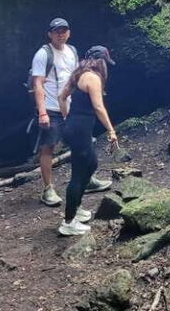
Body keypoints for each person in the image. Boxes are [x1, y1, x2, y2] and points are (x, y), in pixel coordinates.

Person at [31, 18, 110, 206]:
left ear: (69, 32)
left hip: (71, 106)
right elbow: (37, 83)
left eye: (64, 30)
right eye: (57, 31)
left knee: (82, 143)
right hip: (51, 108)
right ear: (50, 34)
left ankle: (87, 179)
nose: (61, 33)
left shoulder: (72, 51)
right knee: (48, 147)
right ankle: (48, 190)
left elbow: (76, 77)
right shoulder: (43, 54)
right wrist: (42, 112)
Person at [57, 46, 119, 236]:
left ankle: (77, 207)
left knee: (91, 164)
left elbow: (62, 97)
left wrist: (69, 119)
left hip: (73, 128)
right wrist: (111, 130)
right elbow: (99, 107)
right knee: (78, 174)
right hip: (79, 130)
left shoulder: (79, 74)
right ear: (101, 62)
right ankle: (68, 222)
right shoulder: (93, 78)